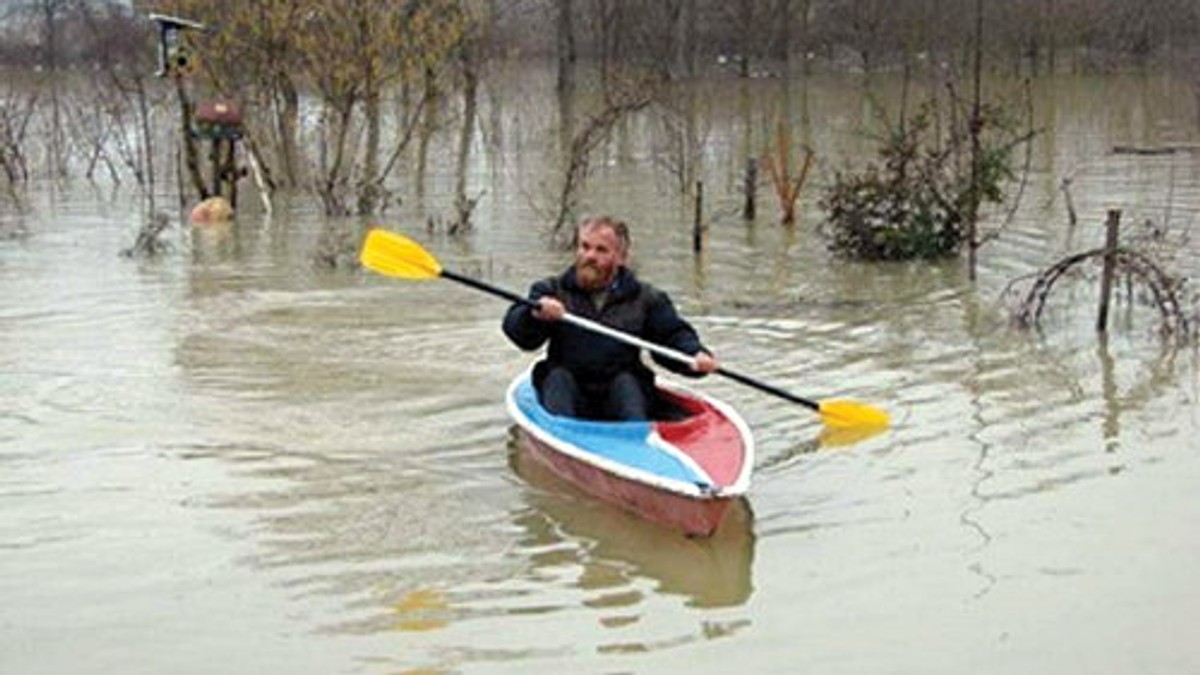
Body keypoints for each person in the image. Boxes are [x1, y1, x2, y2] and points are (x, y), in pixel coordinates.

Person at [502, 215, 718, 421]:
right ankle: (561, 433)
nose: (590, 256)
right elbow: (517, 331)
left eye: (601, 250)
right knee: (558, 379)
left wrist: (694, 355)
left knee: (628, 385)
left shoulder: (647, 299)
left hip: (620, 386)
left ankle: (635, 436)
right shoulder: (551, 291)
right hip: (567, 385)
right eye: (585, 247)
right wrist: (534, 315)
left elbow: (672, 337)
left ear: (621, 258)